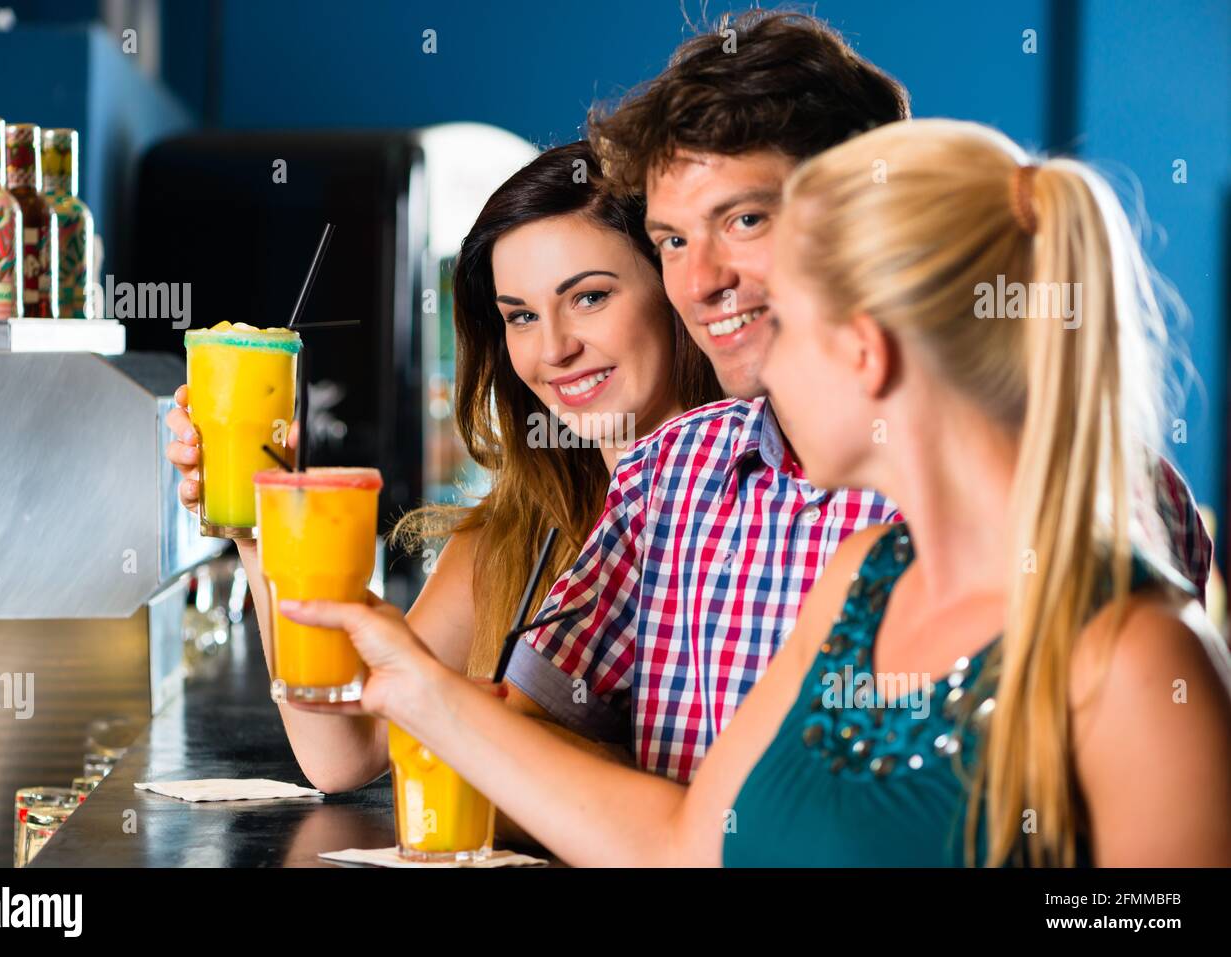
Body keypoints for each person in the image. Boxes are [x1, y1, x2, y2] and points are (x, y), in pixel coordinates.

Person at [280, 117, 1231, 867]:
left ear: (867, 354)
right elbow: (688, 844)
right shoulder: (868, 577)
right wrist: (416, 687)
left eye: (790, 331)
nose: (745, 354)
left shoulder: (1138, 655)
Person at [498, 10, 1211, 784]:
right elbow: (532, 737)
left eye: (744, 219)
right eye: (671, 240)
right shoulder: (669, 471)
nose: (700, 282)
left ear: (867, 224)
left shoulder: (1086, 495)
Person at [165, 141, 721, 791]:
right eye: (521, 316)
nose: (554, 348)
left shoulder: (771, 511)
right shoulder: (510, 537)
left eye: (590, 297)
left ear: (674, 287)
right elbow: (349, 752)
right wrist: (262, 523)